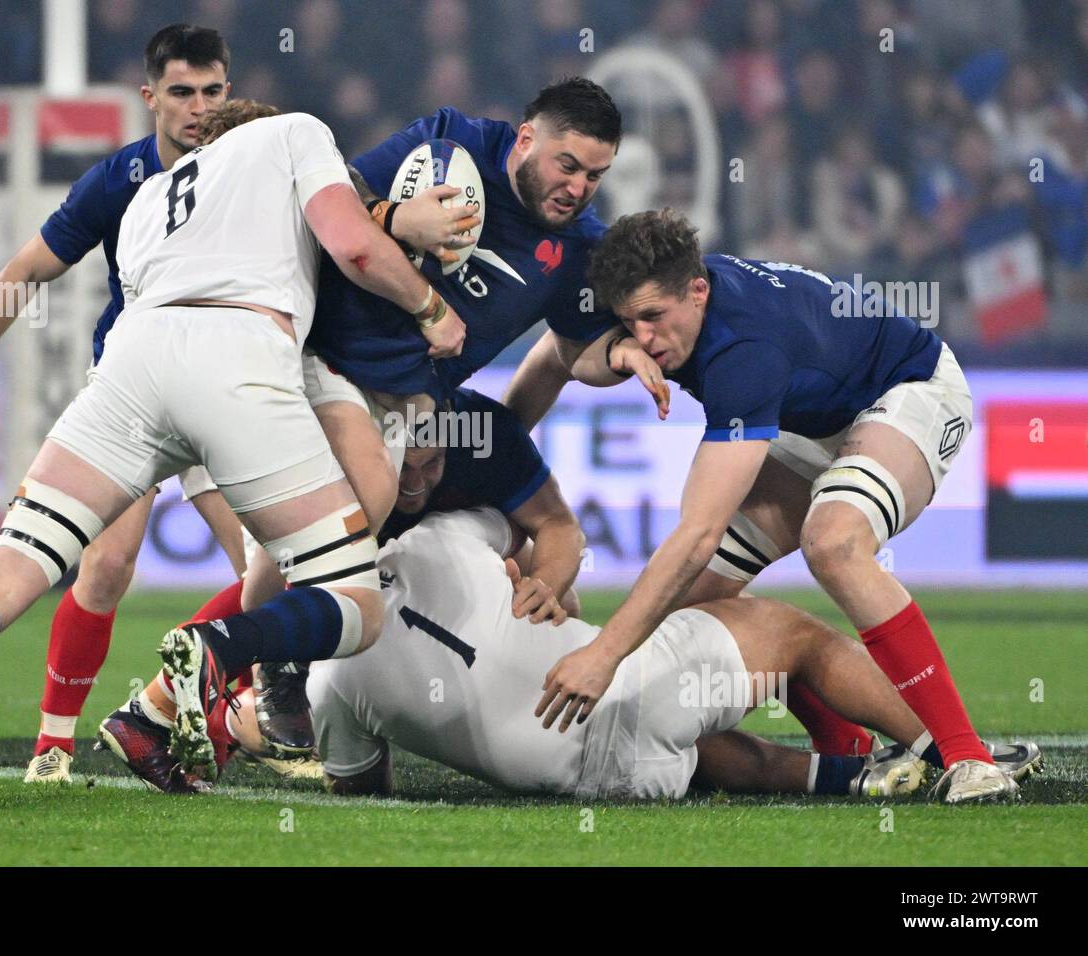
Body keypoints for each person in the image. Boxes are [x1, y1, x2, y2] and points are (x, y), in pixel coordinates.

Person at [0, 99, 464, 808]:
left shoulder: (148, 196)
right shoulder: (296, 132)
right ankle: (218, 649)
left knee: (0, 582)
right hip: (238, 354)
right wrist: (430, 309)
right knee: (355, 601)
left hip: (130, 365)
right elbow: (352, 244)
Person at [533, 208, 1040, 804]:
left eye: (652, 319)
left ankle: (968, 758)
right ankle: (846, 744)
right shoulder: (685, 301)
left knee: (834, 543)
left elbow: (697, 535)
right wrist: (619, 351)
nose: (644, 336)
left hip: (910, 389)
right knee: (686, 605)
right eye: (628, 321)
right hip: (814, 414)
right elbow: (562, 352)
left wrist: (603, 655)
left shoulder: (744, 352)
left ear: (698, 292)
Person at [232, 77, 671, 752]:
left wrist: (617, 358)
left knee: (310, 545)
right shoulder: (450, 142)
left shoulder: (578, 249)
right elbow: (337, 193)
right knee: (339, 524)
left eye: (596, 175)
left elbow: (575, 350)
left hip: (406, 405)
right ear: (527, 140)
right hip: (317, 354)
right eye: (568, 165)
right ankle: (257, 674)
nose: (580, 187)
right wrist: (395, 219)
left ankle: (238, 676)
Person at [0, 24, 248, 785]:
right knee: (106, 567)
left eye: (213, 91)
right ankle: (54, 746)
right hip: (136, 390)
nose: (199, 108)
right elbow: (23, 271)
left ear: (231, 90)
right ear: (150, 97)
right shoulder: (117, 180)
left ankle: (202, 712)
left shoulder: (252, 167)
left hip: (228, 391)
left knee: (264, 569)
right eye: (183, 92)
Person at [99, 385, 585, 790]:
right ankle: (226, 718)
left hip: (444, 548)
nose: (414, 486)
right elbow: (262, 592)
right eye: (403, 468)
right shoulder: (333, 454)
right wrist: (278, 671)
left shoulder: (486, 430)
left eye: (432, 465)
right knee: (302, 713)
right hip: (341, 554)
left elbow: (559, 526)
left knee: (564, 599)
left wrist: (542, 584)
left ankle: (554, 708)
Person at [306, 507, 932, 802]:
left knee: (691, 747)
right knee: (794, 635)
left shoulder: (325, 682)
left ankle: (855, 778)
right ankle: (951, 750)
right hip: (627, 686)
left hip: (607, 784)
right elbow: (541, 531)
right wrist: (543, 585)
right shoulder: (435, 538)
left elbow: (363, 788)